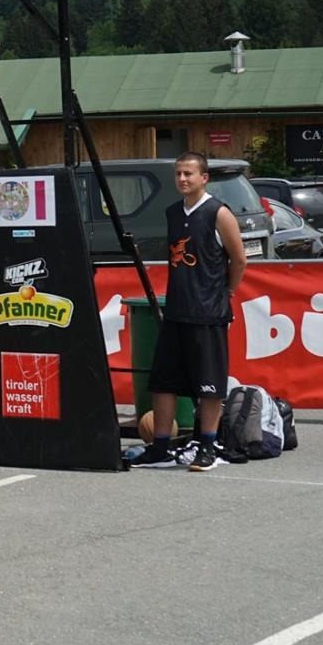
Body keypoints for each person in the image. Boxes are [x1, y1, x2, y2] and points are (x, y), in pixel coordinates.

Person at [133, 153, 248, 473]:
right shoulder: (172, 213)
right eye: (179, 174)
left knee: (209, 384)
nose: (183, 179)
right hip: (177, 311)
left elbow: (238, 260)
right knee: (163, 382)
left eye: (189, 174)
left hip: (208, 312)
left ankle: (208, 447)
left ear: (204, 178)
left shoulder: (218, 213)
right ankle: (159, 448)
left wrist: (226, 292)